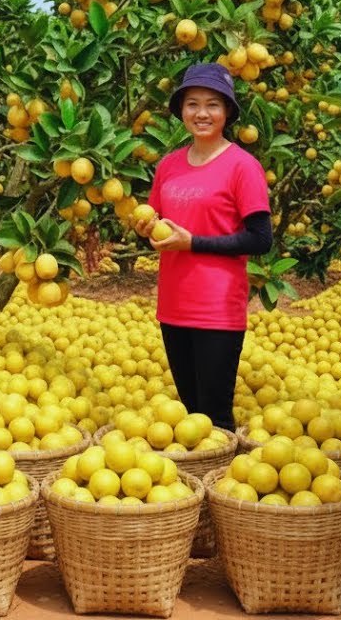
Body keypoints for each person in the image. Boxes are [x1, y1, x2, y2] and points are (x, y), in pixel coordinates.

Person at [134, 63, 272, 431]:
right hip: (173, 306)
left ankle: (225, 486)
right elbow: (157, 226)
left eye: (213, 104)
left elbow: (261, 238)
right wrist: (145, 228)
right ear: (181, 111)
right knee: (191, 417)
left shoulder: (243, 166)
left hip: (217, 308)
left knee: (215, 419)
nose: (202, 113)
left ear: (227, 112)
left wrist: (192, 243)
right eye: (192, 103)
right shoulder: (168, 166)